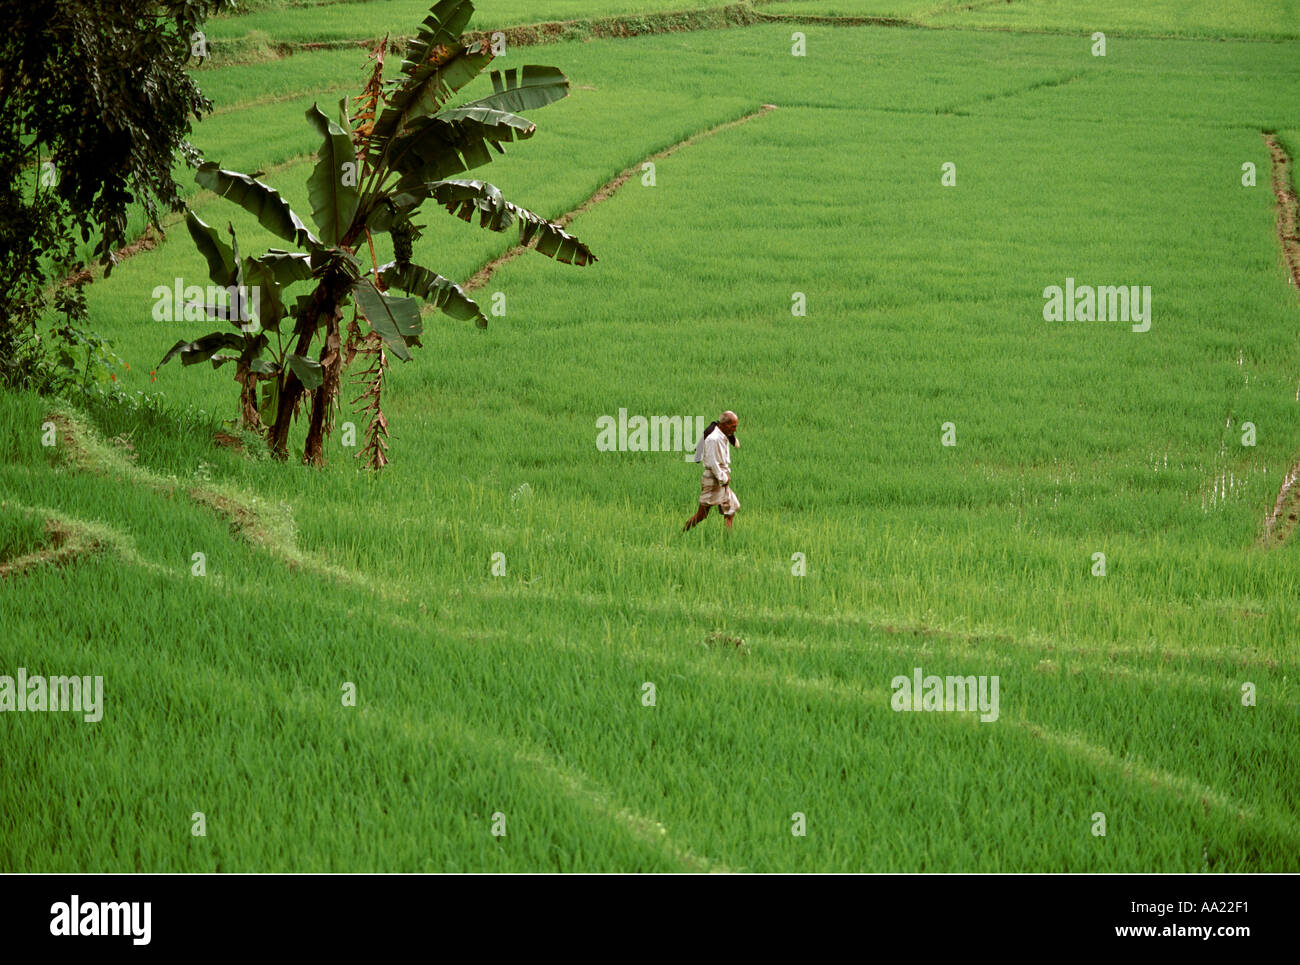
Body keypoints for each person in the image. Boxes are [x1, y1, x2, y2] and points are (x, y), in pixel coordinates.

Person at [683, 410, 740, 532]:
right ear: (724, 425)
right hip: (713, 480)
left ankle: (728, 542)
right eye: (733, 426)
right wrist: (723, 478)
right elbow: (711, 463)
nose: (735, 429)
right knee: (702, 515)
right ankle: (680, 534)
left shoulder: (723, 435)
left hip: (721, 480)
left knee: (730, 511)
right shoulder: (713, 439)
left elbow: (736, 444)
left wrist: (724, 478)